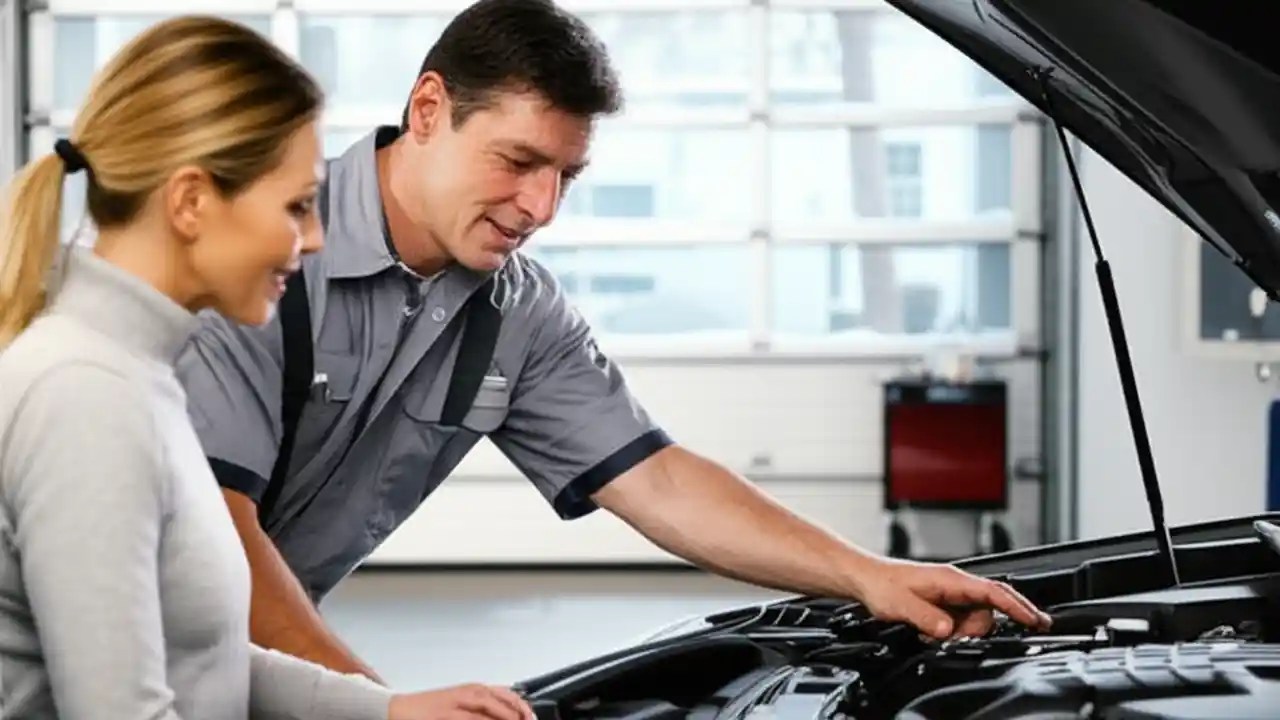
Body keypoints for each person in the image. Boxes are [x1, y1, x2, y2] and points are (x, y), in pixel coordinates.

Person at [177, 0, 1053, 683]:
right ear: (430, 108)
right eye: (517, 163)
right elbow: (216, 535)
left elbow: (662, 480)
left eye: (567, 176)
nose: (542, 209)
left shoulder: (515, 311)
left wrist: (873, 576)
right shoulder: (268, 244)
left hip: (251, 663)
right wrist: (373, 703)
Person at [0, 14, 535, 720]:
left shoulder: (139, 377)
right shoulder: (86, 398)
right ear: (191, 202)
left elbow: (201, 651)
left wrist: (391, 711)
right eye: (298, 206)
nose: (315, 240)